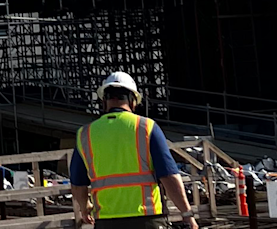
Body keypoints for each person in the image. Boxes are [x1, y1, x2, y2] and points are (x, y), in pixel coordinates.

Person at [71, 73, 196, 229]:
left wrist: (85, 208)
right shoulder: (146, 127)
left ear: (104, 101)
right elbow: (169, 177)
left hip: (106, 222)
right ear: (133, 100)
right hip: (147, 220)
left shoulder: (85, 134)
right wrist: (186, 214)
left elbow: (77, 184)